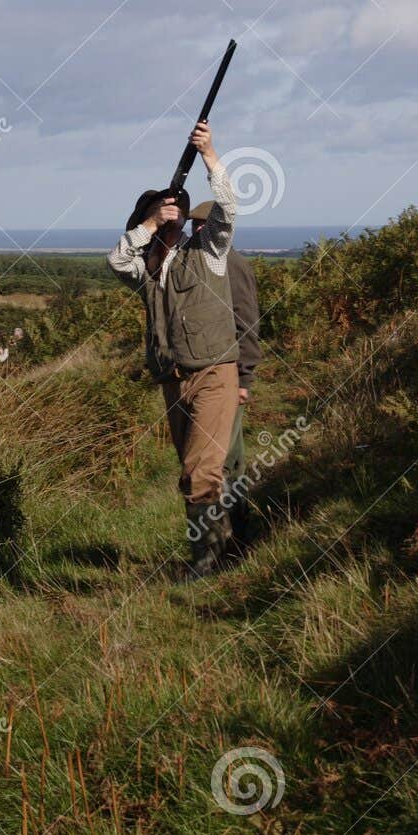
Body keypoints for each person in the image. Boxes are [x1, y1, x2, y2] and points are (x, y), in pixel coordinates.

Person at [107, 121, 239, 579]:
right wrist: (150, 224)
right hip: (172, 380)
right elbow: (116, 259)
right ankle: (225, 551)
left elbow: (227, 208)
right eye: (163, 211)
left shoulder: (208, 250)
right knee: (193, 473)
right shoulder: (146, 268)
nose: (172, 213)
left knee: (200, 473)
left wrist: (209, 155)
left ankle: (204, 566)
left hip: (215, 371)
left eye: (174, 208)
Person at [188, 202, 261, 553]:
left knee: (227, 461)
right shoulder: (200, 264)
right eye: (194, 227)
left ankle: (238, 540)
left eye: (203, 227)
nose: (196, 232)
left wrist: (244, 380)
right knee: (217, 460)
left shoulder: (234, 265)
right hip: (205, 375)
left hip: (228, 375)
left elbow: (246, 324)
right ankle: (233, 540)